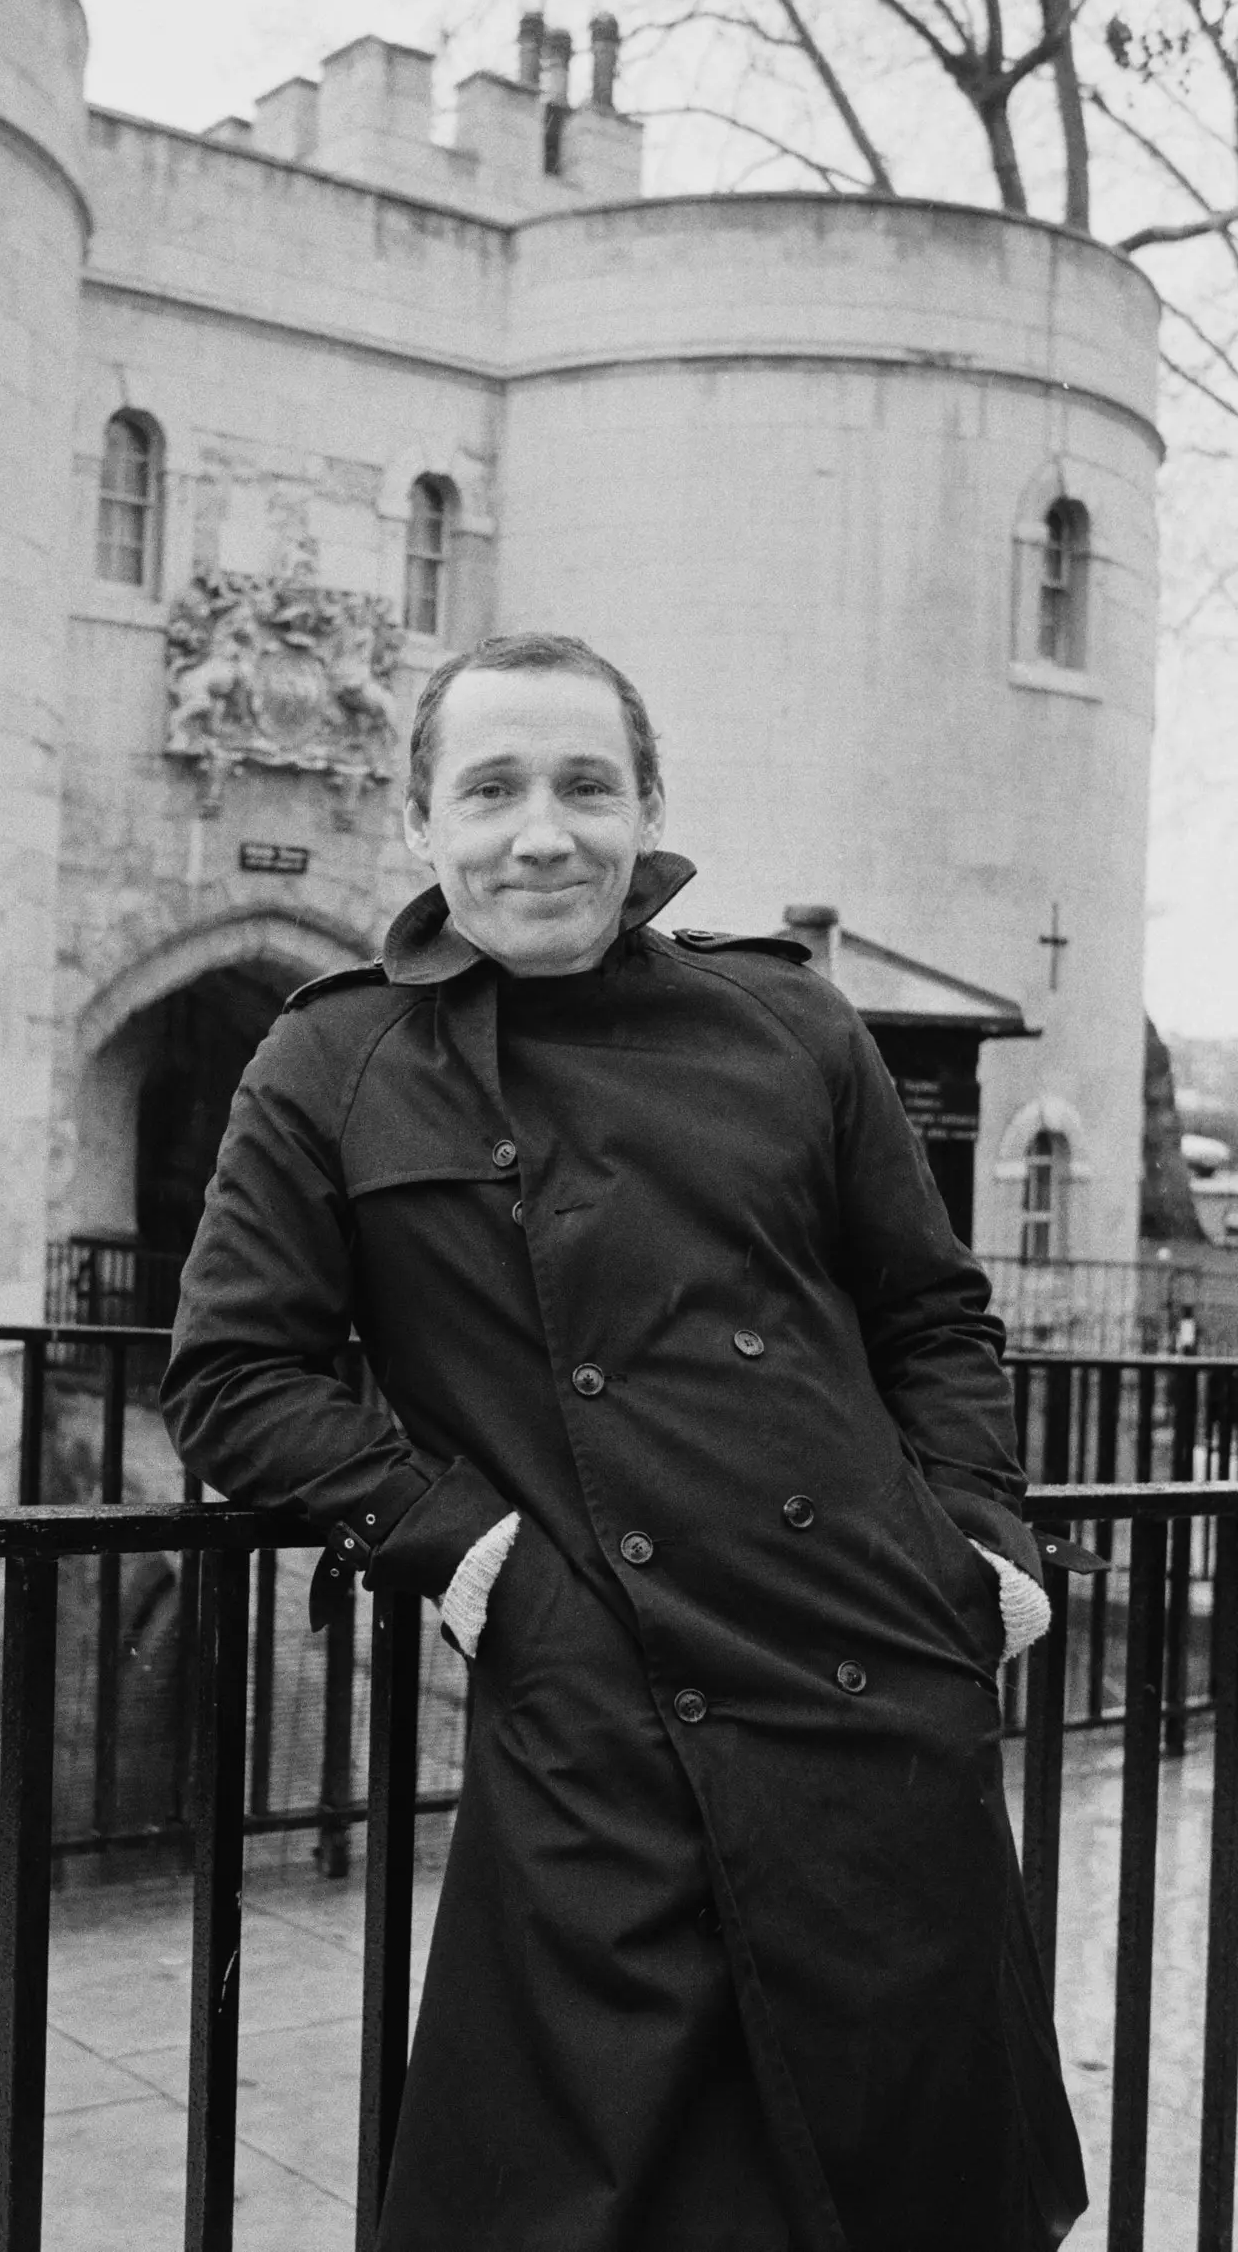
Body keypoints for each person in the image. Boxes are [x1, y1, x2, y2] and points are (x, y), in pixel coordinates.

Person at [161, 632, 1088, 2252]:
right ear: (421, 823)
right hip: (597, 1713)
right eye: (495, 788)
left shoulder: (790, 1027)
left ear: (647, 807)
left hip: (874, 1695)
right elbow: (238, 1375)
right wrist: (480, 1565)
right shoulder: (331, 1059)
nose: (543, 831)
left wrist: (983, 1553)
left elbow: (930, 1319)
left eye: (587, 786)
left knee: (913, 2201)